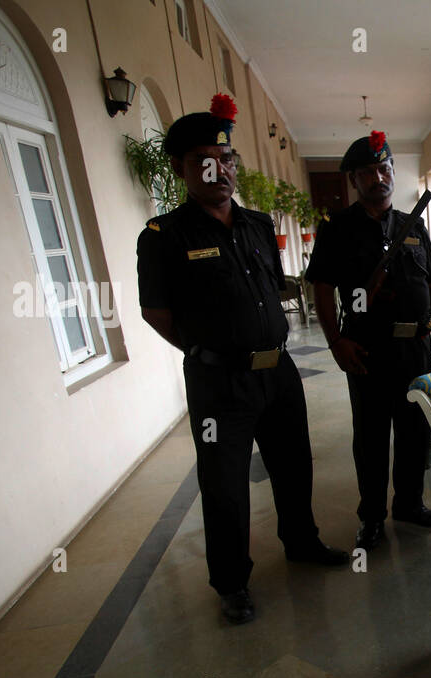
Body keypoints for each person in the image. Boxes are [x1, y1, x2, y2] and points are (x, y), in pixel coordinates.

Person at [136, 93, 348, 626]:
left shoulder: (256, 225)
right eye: (205, 160)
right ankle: (231, 582)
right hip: (218, 383)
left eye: (227, 159)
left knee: (294, 466)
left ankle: (301, 542)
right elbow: (155, 312)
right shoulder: (164, 236)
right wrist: (205, 350)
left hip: (278, 371)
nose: (220, 170)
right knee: (225, 485)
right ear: (182, 168)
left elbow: (272, 290)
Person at [305, 130, 431, 552]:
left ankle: (408, 504)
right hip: (367, 349)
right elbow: (322, 287)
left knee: (415, 431)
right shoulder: (337, 229)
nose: (378, 177)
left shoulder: (412, 225)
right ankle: (370, 517)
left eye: (384, 168)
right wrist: (335, 342)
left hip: (416, 350)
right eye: (367, 172)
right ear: (354, 180)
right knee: (369, 438)